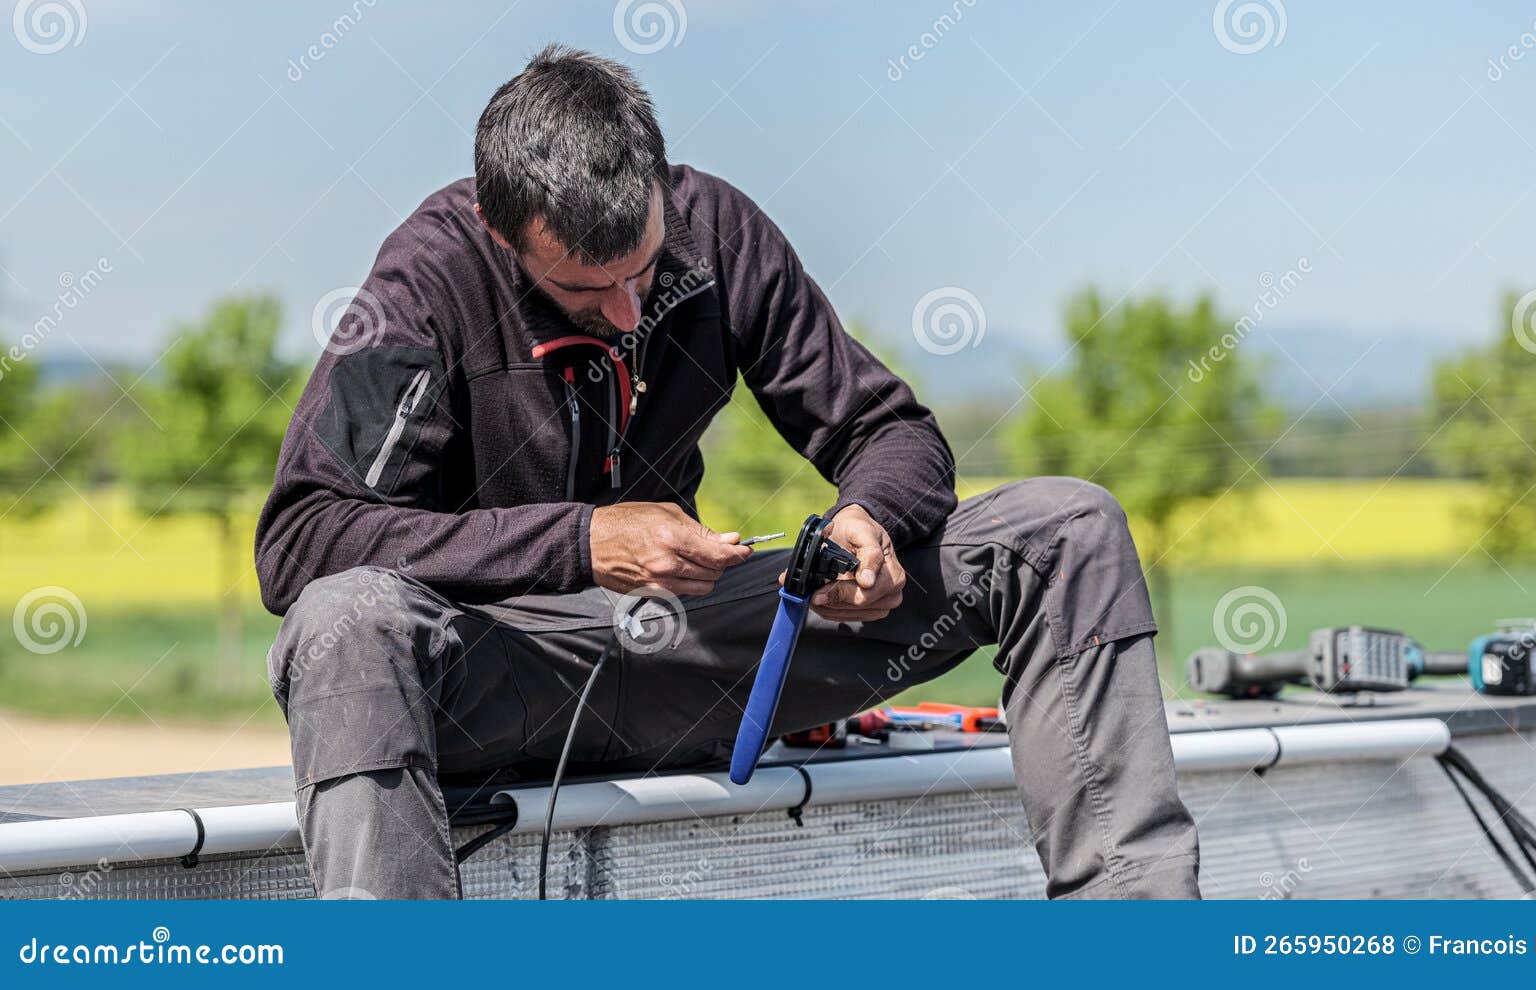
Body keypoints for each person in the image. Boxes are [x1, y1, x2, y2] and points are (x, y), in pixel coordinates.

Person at [256, 44, 1199, 900]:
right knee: (343, 621)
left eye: (644, 270)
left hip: (694, 658)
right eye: (587, 289)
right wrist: (585, 541)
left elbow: (889, 428)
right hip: (503, 674)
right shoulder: (427, 278)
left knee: (1066, 530)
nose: (628, 313)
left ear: (661, 185)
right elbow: (301, 539)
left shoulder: (718, 232)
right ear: (505, 236)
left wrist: (869, 519)